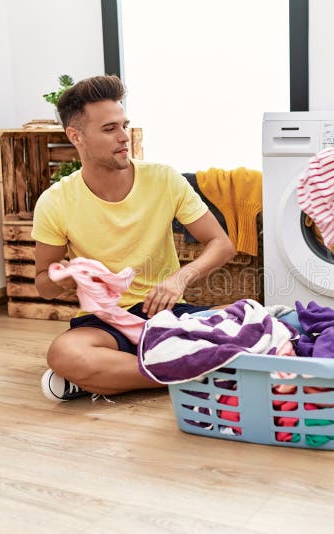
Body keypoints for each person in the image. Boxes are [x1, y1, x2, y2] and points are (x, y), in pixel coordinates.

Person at [32, 75, 235, 402]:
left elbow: (221, 244)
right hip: (105, 325)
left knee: (247, 314)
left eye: (124, 125)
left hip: (167, 316)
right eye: (110, 129)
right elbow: (43, 283)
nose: (124, 137)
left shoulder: (164, 179)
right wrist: (67, 278)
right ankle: (198, 373)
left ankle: (107, 379)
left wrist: (179, 279)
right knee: (65, 354)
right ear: (76, 137)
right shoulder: (56, 201)